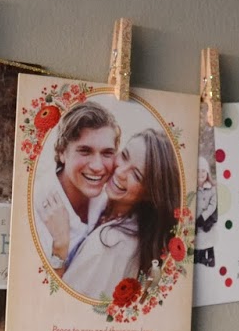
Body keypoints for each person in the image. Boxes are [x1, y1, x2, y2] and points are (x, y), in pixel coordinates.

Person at [62, 129, 181, 299]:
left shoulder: (111, 244)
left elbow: (63, 304)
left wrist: (59, 251)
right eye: (124, 156)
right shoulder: (99, 205)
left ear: (150, 194)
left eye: (137, 175)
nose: (120, 172)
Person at [36, 102, 120, 271]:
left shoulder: (107, 200)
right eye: (85, 151)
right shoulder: (37, 206)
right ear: (62, 152)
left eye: (107, 153)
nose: (97, 166)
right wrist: (59, 246)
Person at [193, 154, 218, 268]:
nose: (201, 174)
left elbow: (213, 205)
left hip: (206, 221)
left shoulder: (211, 188)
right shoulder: (193, 188)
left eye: (203, 171)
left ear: (207, 173)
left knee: (208, 241)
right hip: (195, 222)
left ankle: (211, 258)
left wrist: (204, 216)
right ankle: (200, 259)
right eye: (198, 171)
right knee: (198, 242)